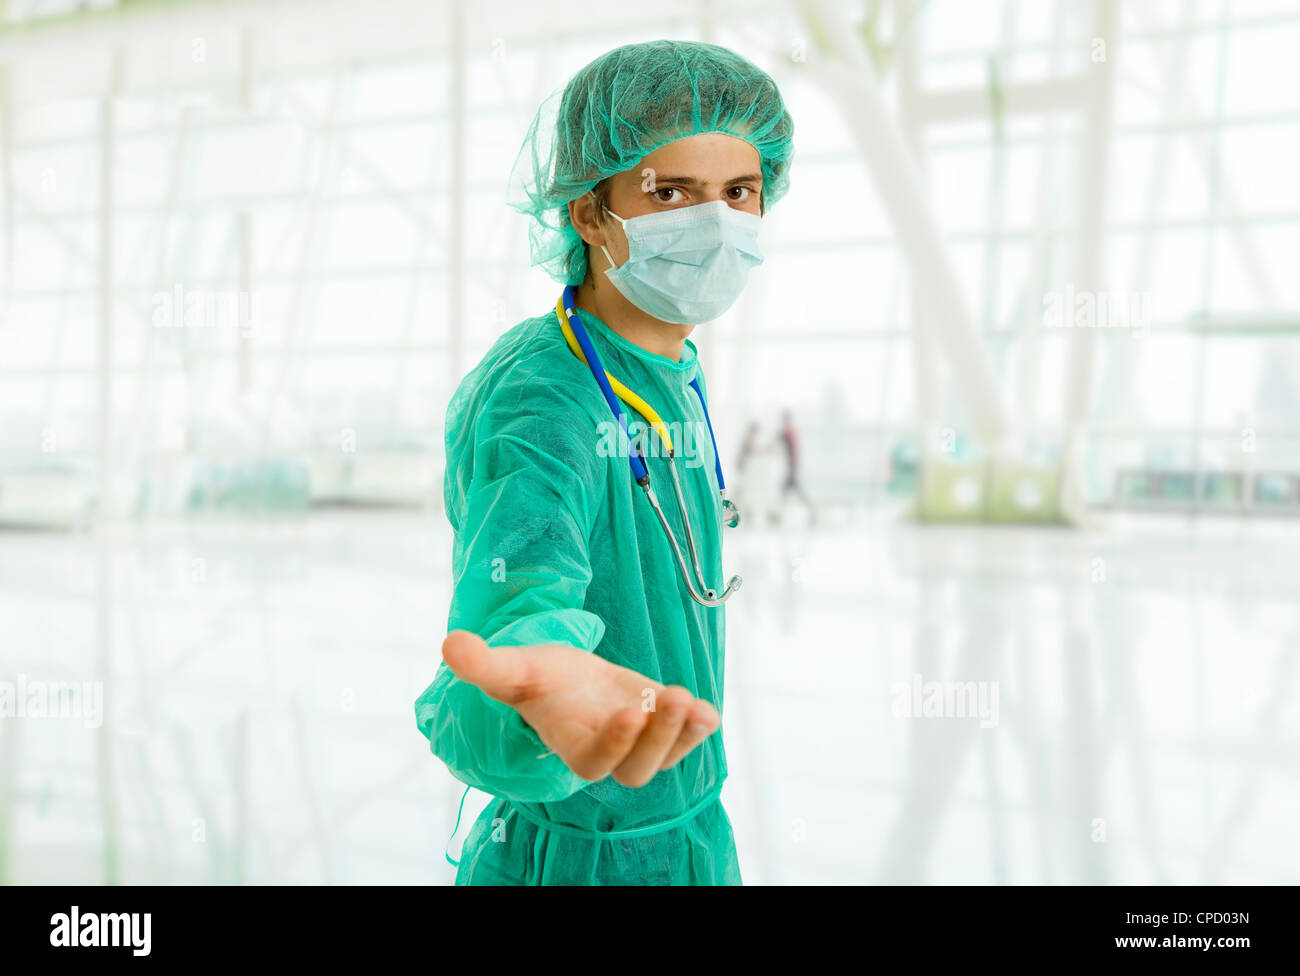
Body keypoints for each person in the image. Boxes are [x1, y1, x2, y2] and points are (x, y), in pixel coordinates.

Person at [413, 39, 794, 885]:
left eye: (739, 192)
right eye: (671, 194)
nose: (716, 222)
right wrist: (540, 689)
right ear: (589, 214)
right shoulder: (544, 396)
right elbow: (520, 607)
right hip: (582, 857)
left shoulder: (667, 369)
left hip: (690, 831)